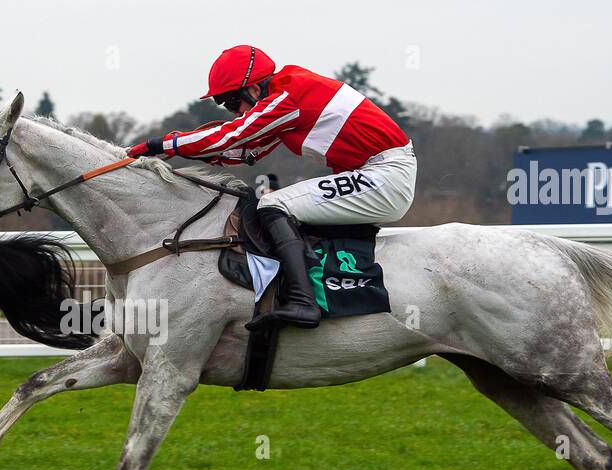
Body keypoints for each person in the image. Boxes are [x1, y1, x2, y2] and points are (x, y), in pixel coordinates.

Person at [127, 46, 415, 330]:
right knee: (277, 203)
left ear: (253, 89)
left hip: (384, 176)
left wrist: (164, 144)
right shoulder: (287, 96)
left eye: (231, 102)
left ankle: (304, 302)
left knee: (272, 204)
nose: (233, 111)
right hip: (377, 173)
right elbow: (244, 151)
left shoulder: (289, 95)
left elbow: (233, 135)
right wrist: (176, 150)